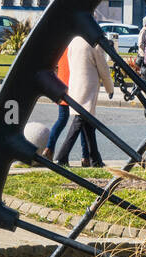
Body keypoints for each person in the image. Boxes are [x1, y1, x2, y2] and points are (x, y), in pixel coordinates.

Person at [55, 35, 114, 167]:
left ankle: (95, 159)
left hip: (75, 84)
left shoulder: (73, 41)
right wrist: (110, 88)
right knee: (80, 119)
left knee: (88, 124)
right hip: (88, 86)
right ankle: (62, 156)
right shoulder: (94, 43)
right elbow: (103, 68)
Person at [42, 46, 77, 160]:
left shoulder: (63, 47)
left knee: (62, 119)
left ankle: (49, 148)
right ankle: (85, 156)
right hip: (74, 85)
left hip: (62, 84)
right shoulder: (73, 47)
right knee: (81, 121)